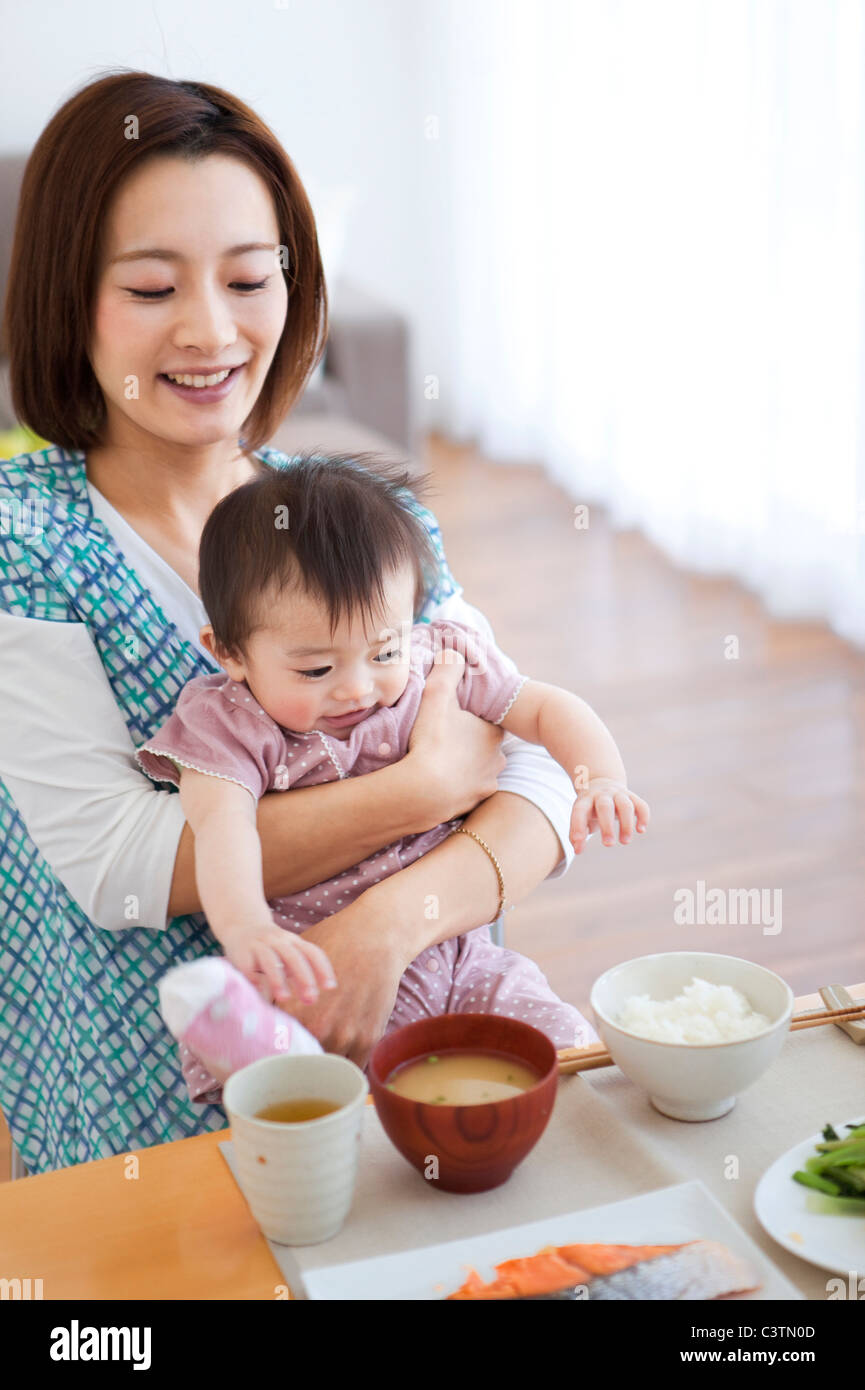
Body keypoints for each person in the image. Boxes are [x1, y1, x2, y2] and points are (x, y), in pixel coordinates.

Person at [0, 70, 638, 1174]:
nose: (210, 331)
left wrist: (382, 931)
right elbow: (121, 860)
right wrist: (427, 787)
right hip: (153, 1097)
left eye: (249, 277)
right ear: (68, 298)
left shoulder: (354, 517)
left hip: (422, 1040)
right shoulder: (26, 546)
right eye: (152, 290)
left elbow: (533, 768)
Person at [136, 455, 649, 1103]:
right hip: (329, 973)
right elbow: (221, 827)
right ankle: (267, 1052)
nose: (357, 687)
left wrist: (598, 776)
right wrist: (246, 929)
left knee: (570, 1056)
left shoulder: (439, 656)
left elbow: (545, 706)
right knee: (382, 1102)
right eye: (315, 670)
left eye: (382, 652)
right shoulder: (230, 723)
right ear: (229, 654)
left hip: (460, 951)